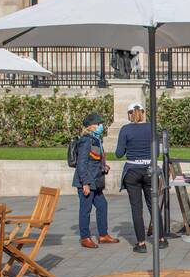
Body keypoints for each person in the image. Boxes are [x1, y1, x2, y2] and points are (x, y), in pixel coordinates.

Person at [115, 101, 165, 253]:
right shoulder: (151, 128)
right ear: (143, 113)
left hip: (132, 170)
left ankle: (141, 243)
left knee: (136, 208)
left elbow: (118, 153)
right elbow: (156, 153)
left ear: (130, 114)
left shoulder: (125, 129)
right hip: (149, 169)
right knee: (153, 204)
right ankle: (161, 239)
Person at [71, 112, 119, 248]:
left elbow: (94, 160)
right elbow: (82, 164)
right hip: (87, 181)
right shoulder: (86, 140)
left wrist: (104, 166)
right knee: (85, 210)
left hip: (96, 180)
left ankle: (103, 235)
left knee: (102, 205)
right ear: (91, 126)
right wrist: (84, 183)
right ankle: (85, 237)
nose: (101, 126)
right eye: (98, 124)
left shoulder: (96, 140)